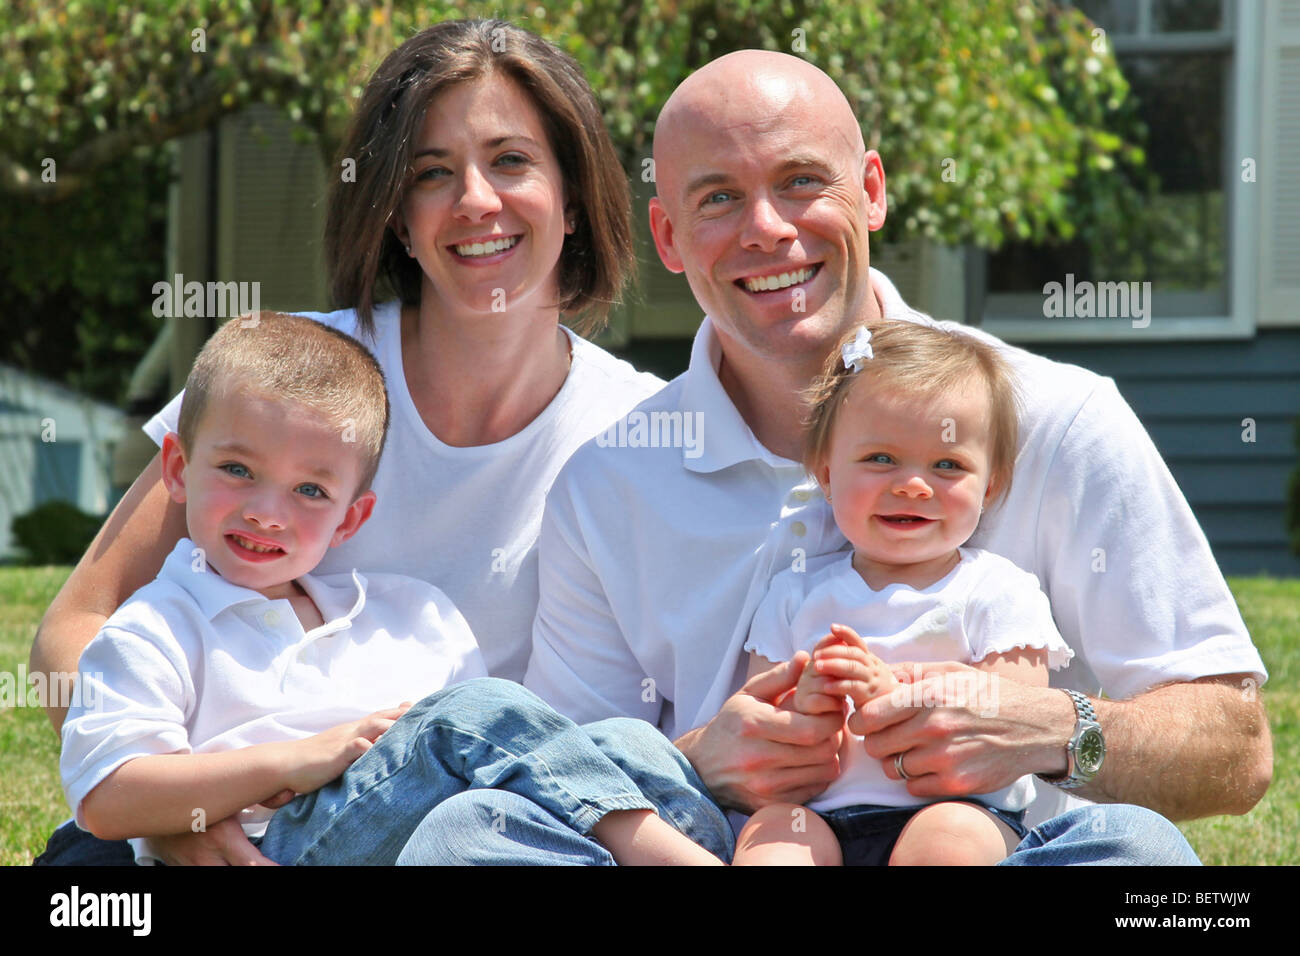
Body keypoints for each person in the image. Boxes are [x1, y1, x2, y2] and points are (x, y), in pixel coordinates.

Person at [415, 49, 1269, 864]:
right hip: (744, 849)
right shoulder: (609, 485)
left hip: (988, 850)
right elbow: (565, 777)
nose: (766, 229)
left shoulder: (1055, 417)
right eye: (719, 198)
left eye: (800, 181)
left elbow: (1236, 745)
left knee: (1140, 854)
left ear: (871, 191)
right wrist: (701, 760)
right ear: (668, 239)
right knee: (467, 837)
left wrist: (1049, 730)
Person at [32, 18, 665, 866]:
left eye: (511, 160)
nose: (475, 201)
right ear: (397, 217)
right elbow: (78, 626)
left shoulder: (638, 429)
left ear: (575, 198)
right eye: (432, 173)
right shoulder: (283, 377)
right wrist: (183, 812)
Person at [60, 312, 726, 866]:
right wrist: (294, 761)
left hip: (430, 841)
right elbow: (107, 796)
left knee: (626, 745)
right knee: (470, 717)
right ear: (178, 468)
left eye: (309, 490)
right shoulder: (157, 627)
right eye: (237, 469)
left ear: (351, 519)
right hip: (275, 844)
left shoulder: (411, 615)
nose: (267, 513)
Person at [733, 320, 1074, 866]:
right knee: (772, 833)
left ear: (989, 487)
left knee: (947, 839)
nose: (913, 485)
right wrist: (809, 703)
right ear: (826, 475)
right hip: (821, 815)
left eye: (947, 465)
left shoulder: (997, 591)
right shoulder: (793, 594)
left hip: (960, 810)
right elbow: (758, 731)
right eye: (881, 459)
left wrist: (887, 697)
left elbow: (1012, 725)